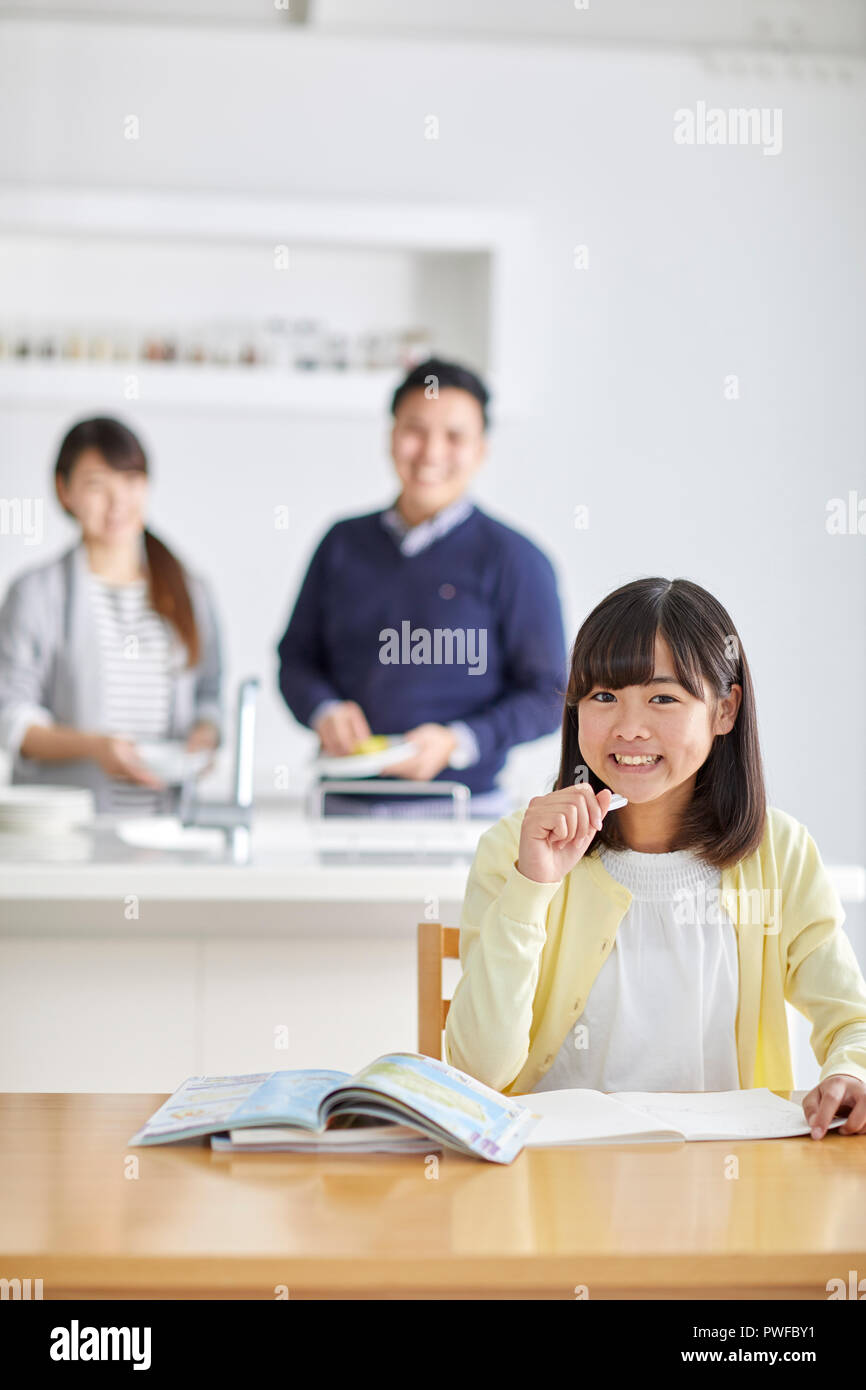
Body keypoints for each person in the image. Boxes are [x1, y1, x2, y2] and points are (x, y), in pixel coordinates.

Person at [445, 576, 866, 1139]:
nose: (629, 728)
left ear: (725, 709)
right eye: (603, 697)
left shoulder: (778, 853)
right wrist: (532, 885)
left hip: (731, 1184)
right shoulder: (515, 849)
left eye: (663, 698)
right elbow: (476, 1073)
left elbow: (852, 1023)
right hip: (552, 1182)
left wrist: (850, 1073)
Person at [277, 357, 567, 816]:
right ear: (391, 436)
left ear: (481, 450)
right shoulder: (341, 543)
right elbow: (295, 660)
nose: (431, 452)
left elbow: (549, 696)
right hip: (342, 806)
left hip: (465, 811)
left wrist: (457, 742)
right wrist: (323, 708)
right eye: (415, 429)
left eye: (454, 436)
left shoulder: (515, 559)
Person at [0, 417, 224, 815]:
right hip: (66, 824)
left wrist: (204, 736)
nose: (118, 501)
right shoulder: (35, 593)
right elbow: (12, 717)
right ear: (64, 490)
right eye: (96, 485)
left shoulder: (189, 589)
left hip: (165, 822)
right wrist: (95, 748)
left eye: (130, 480)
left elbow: (210, 692)